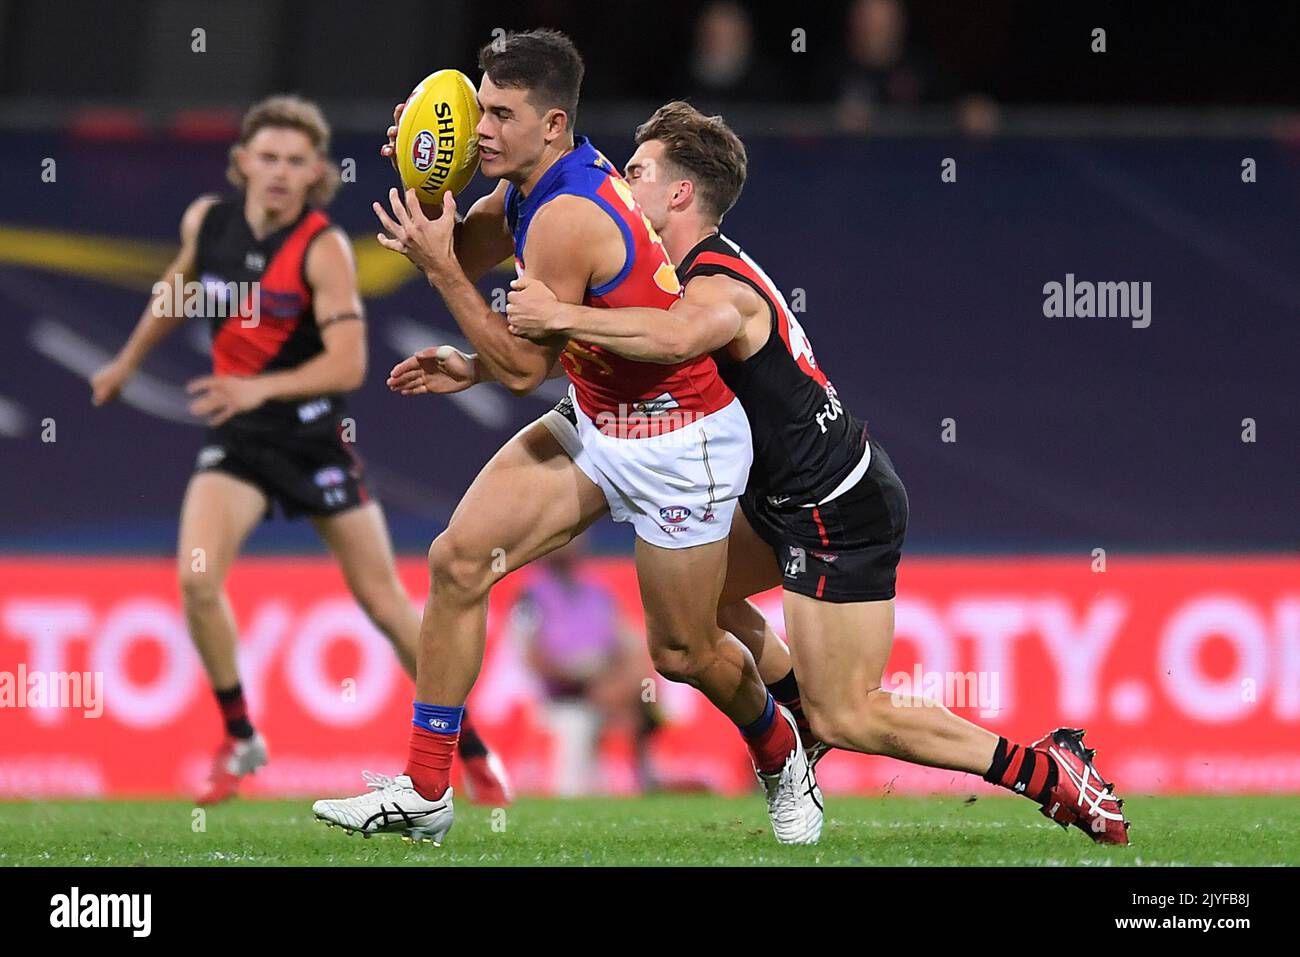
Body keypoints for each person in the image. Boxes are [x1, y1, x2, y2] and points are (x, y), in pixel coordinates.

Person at [504, 101, 1130, 845]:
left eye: (635, 171)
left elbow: (673, 339)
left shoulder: (716, 286)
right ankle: (795, 708)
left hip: (837, 508)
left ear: (679, 195)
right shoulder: (685, 271)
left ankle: (1046, 770)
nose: (617, 184)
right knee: (690, 620)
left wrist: (561, 316)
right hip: (784, 499)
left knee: (852, 711)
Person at [311, 29, 822, 846]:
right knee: (457, 559)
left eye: (499, 114)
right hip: (595, 420)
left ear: (552, 125)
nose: (480, 128)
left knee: (684, 651)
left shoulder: (568, 213)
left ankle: (779, 749)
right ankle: (426, 787)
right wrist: (423, 164)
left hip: (677, 439)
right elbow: (465, 247)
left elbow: (518, 365)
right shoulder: (526, 185)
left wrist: (443, 275)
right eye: (476, 110)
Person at [90, 94, 509, 808]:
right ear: (242, 163)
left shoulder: (322, 247)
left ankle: (468, 746)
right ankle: (240, 735)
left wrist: (258, 390)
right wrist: (126, 361)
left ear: (316, 170)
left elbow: (348, 364)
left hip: (313, 438)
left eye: (296, 161)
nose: (281, 172)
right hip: (242, 444)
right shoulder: (208, 223)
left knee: (383, 602)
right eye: (269, 158)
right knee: (196, 578)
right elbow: (176, 287)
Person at [511, 537, 664, 794]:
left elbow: (625, 642)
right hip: (561, 692)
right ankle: (640, 775)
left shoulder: (597, 592)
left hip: (605, 681)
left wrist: (616, 680)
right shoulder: (531, 595)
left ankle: (643, 775)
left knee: (638, 683)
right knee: (610, 705)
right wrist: (584, 682)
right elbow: (533, 657)